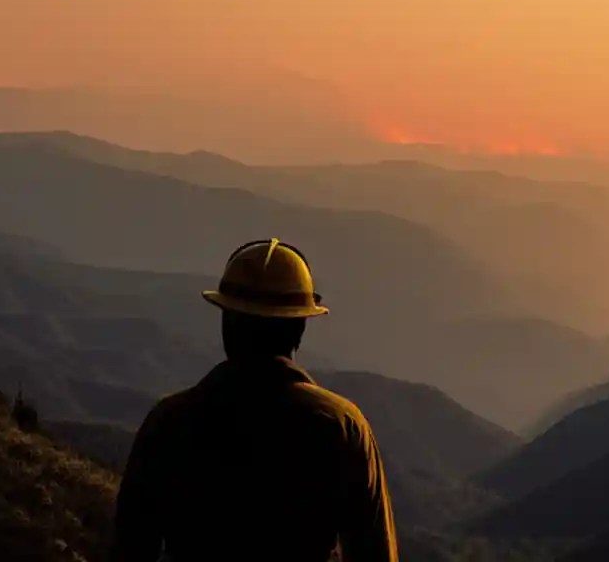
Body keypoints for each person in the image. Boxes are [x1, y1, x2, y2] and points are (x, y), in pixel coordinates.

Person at [110, 239, 398, 561]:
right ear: (300, 327)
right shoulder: (343, 428)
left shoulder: (168, 423)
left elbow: (130, 549)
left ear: (226, 324)